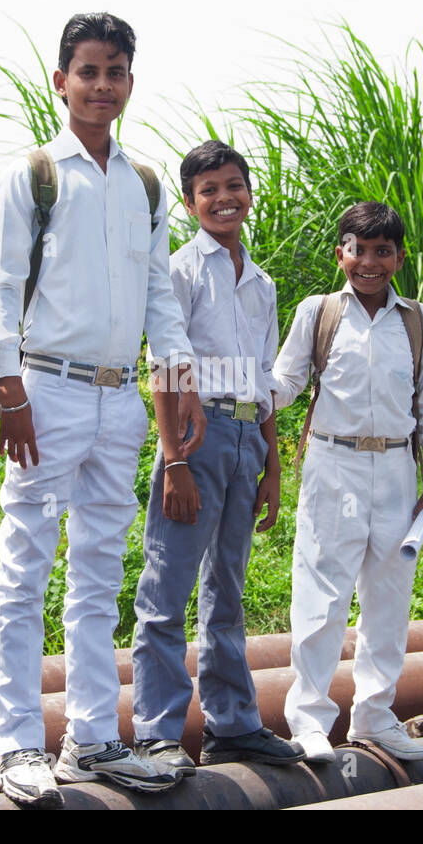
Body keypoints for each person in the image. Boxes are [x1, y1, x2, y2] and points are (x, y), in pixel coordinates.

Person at [0, 12, 205, 808]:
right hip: (46, 389)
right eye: (88, 71)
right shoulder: (36, 173)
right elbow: (1, 289)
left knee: (99, 572)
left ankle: (90, 739)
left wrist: (178, 391)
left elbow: (158, 299)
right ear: (62, 80)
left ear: (130, 83)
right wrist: (9, 393)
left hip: (120, 399)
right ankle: (16, 744)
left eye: (115, 72)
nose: (101, 85)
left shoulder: (145, 184)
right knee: (24, 567)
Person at [131, 140, 303, 774]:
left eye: (234, 185)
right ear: (189, 202)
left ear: (249, 193)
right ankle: (155, 730)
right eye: (209, 190)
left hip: (244, 439)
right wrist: (173, 458)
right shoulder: (179, 270)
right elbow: (164, 366)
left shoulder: (261, 282)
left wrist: (272, 465)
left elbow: (261, 377)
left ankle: (232, 724)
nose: (223, 198)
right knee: (166, 587)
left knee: (226, 590)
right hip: (194, 439)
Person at [271, 201, 423, 764]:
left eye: (382, 251)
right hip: (334, 464)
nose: (368, 262)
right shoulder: (319, 313)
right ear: (340, 253)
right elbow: (287, 381)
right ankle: (309, 719)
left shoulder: (417, 321)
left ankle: (374, 716)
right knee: (322, 594)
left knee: (389, 599)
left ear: (398, 257)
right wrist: (237, 392)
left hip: (397, 470)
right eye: (357, 249)